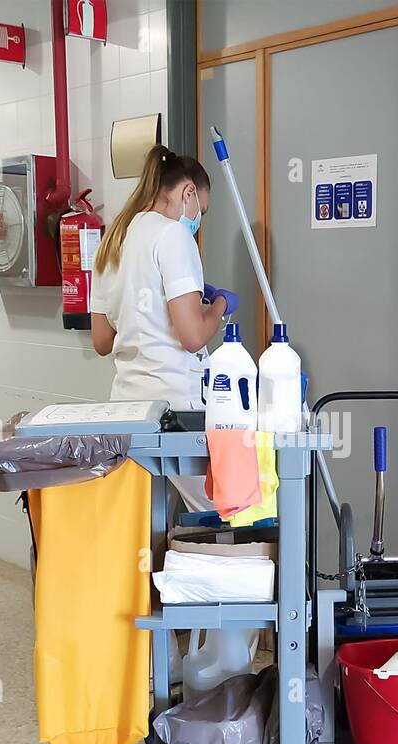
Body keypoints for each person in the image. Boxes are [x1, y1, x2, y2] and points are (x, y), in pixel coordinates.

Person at [89, 144, 237, 511]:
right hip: (175, 410)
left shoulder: (113, 240)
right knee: (224, 513)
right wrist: (220, 305)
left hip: (126, 411)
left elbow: (102, 340)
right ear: (188, 192)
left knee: (144, 524)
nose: (197, 220)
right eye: (200, 210)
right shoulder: (173, 236)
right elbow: (191, 337)